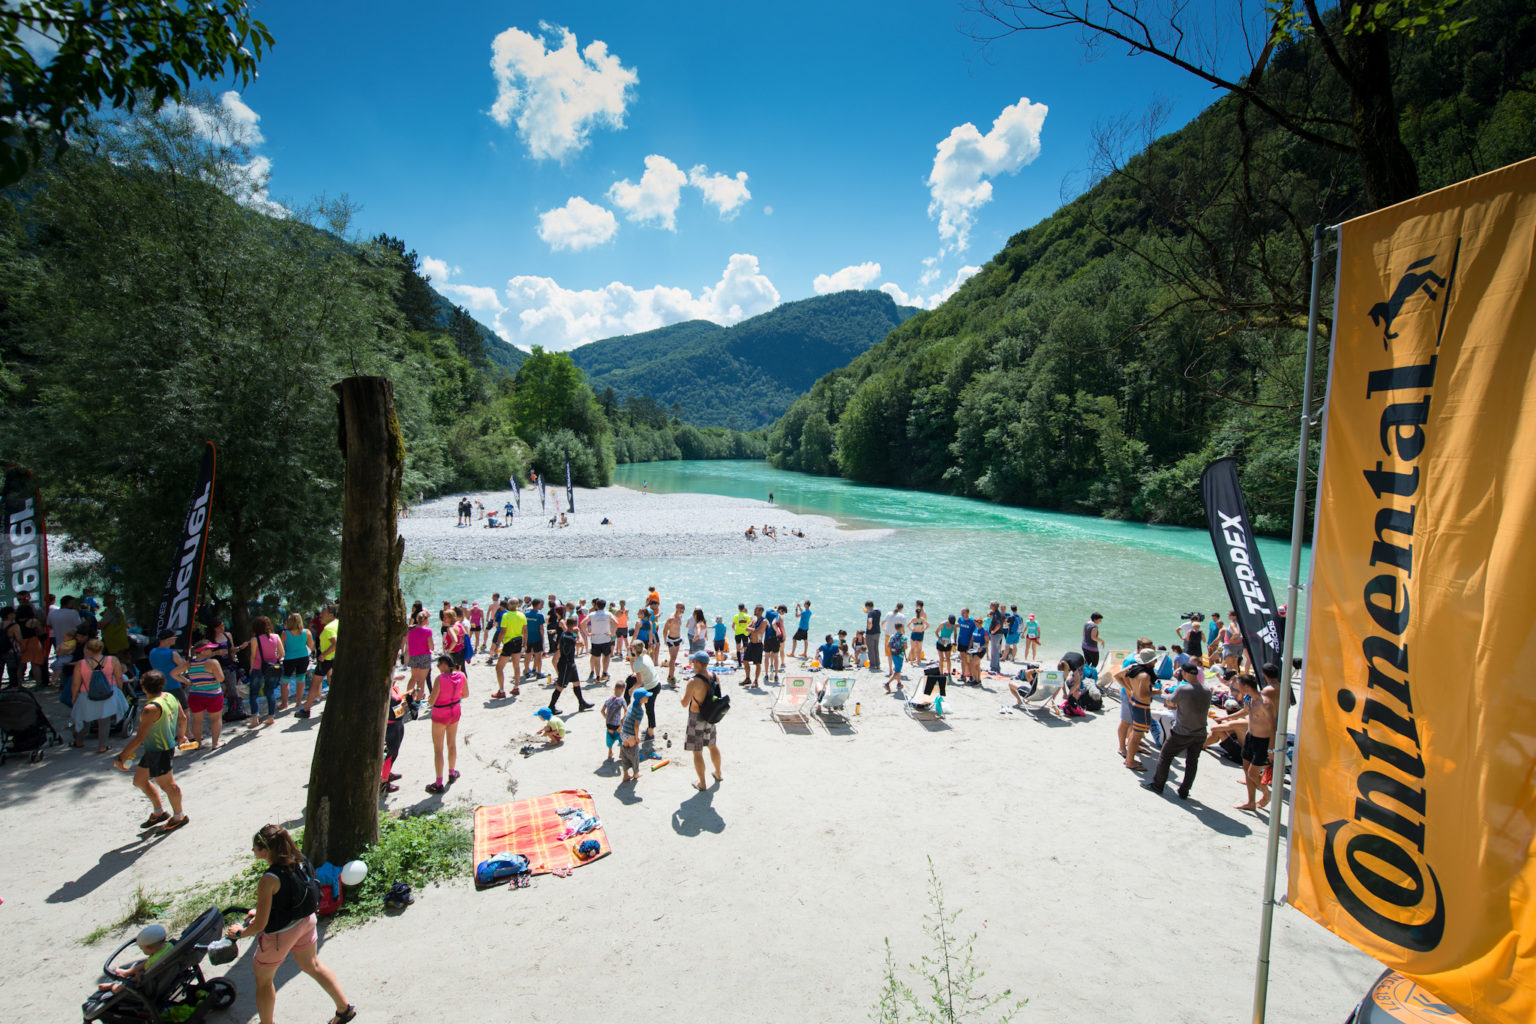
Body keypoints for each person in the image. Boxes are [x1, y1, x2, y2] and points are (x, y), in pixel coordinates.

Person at [225, 824, 355, 1024]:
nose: (253, 850)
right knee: (312, 965)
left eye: (255, 847)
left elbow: (259, 925)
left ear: (266, 850)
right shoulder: (300, 860)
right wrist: (260, 910)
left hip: (280, 936)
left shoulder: (268, 880)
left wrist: (240, 932)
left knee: (264, 982)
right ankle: (344, 1009)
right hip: (307, 922)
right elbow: (289, 896)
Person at [114, 670, 188, 832]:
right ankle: (159, 812)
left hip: (160, 751)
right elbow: (183, 718)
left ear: (143, 687)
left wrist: (122, 756)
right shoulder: (170, 697)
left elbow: (140, 737)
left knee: (168, 785)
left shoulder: (150, 709)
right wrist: (181, 736)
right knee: (139, 781)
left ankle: (179, 816)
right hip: (154, 750)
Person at [1143, 661, 1212, 798]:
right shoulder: (1206, 690)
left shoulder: (1183, 689)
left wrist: (1167, 696)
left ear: (1184, 674)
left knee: (1165, 755)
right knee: (1192, 762)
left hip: (1182, 731)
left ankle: (1158, 785)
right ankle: (1184, 790)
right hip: (1201, 732)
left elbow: (1171, 703)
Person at [71, 638, 130, 752]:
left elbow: (75, 683)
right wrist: (119, 690)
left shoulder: (81, 664)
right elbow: (119, 677)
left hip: (86, 694)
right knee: (104, 720)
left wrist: (74, 696)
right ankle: (102, 746)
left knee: (84, 718)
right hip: (108, 692)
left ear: (87, 649)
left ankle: (79, 741)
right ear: (102, 648)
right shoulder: (112, 660)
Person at [1233, 672, 1276, 811]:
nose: (1236, 687)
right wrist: (1225, 719)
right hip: (1250, 737)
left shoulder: (1266, 703)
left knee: (1253, 773)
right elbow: (1246, 712)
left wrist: (1271, 750)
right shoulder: (1249, 699)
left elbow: (1273, 727)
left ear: (1246, 686)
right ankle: (1251, 802)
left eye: (1239, 685)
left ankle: (1266, 793)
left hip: (1262, 741)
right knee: (1246, 770)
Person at [681, 651, 722, 791]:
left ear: (698, 663)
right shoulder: (715, 676)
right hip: (711, 717)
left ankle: (702, 783)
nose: (692, 664)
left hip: (696, 717)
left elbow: (684, 703)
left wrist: (682, 696)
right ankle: (718, 773)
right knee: (713, 745)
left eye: (693, 662)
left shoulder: (693, 681)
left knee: (697, 751)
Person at [425, 654, 466, 793]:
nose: (438, 668)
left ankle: (438, 783)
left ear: (444, 664)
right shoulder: (461, 675)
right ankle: (451, 773)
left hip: (440, 714)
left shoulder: (440, 679)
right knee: (452, 744)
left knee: (438, 749)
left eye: (438, 665)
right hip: (454, 712)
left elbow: (431, 701)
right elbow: (465, 694)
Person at [297, 605, 338, 719]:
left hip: (326, 659)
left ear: (330, 615)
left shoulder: (328, 628)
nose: (320, 615)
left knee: (314, 684)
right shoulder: (338, 623)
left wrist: (323, 655)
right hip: (334, 659)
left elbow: (335, 643)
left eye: (323, 613)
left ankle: (306, 710)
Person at [184, 640, 226, 749]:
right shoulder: (212, 663)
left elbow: (173, 673)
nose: (212, 650)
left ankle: (198, 744)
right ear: (202, 651)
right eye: (209, 649)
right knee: (216, 719)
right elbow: (221, 679)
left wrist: (187, 681)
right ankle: (215, 743)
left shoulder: (190, 663)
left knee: (197, 721)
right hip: (213, 695)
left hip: (195, 695)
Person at [243, 617, 283, 727]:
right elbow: (282, 653)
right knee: (270, 691)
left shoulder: (255, 639)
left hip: (258, 668)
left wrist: (251, 668)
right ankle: (271, 717)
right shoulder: (276, 636)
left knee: (254, 693)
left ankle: (255, 719)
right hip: (272, 668)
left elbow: (253, 656)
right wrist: (274, 660)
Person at [550, 615, 592, 713]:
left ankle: (582, 703)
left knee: (576, 683)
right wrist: (579, 633)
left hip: (570, 664)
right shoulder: (568, 637)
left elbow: (560, 645)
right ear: (573, 626)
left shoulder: (565, 634)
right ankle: (551, 706)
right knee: (560, 687)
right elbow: (581, 644)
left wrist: (575, 634)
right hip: (566, 665)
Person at [1121, 663, 1156, 770]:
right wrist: (1156, 692)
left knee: (1134, 733)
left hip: (1135, 703)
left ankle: (1129, 759)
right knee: (1137, 735)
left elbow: (1120, 677)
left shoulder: (1134, 671)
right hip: (1142, 706)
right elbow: (1143, 695)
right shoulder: (1144, 675)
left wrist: (1130, 690)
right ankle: (1130, 761)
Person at [279, 613, 314, 712]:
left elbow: (281, 647)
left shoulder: (285, 633)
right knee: (301, 679)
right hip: (303, 657)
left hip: (289, 658)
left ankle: (284, 703)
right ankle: (298, 702)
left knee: (285, 680)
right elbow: (311, 646)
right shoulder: (306, 632)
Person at [148, 629, 190, 708]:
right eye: (174, 637)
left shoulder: (152, 651)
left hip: (158, 685)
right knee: (184, 709)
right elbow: (184, 667)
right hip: (173, 685)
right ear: (169, 639)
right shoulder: (172, 653)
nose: (175, 639)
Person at [494, 600, 527, 698]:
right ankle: (516, 687)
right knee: (516, 665)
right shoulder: (522, 615)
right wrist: (524, 644)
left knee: (499, 668)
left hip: (509, 642)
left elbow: (503, 631)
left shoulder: (506, 616)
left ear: (509, 605)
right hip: (518, 641)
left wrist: (497, 644)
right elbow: (525, 631)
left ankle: (501, 690)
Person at [618, 686, 648, 782]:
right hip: (631, 733)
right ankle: (636, 773)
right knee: (634, 753)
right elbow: (636, 726)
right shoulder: (640, 710)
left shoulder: (631, 705)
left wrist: (621, 724)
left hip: (623, 732)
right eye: (646, 696)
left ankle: (625, 774)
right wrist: (637, 737)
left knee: (625, 753)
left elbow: (625, 716)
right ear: (641, 699)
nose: (647, 698)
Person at [601, 682, 626, 761]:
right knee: (621, 736)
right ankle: (621, 752)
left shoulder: (608, 699)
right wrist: (622, 720)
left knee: (610, 737)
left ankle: (610, 751)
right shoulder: (622, 700)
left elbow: (602, 711)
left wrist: (607, 718)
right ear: (623, 690)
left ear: (614, 689)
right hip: (617, 724)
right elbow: (626, 710)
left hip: (609, 724)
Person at [742, 605, 766, 687]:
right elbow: (747, 627)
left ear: (760, 611)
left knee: (757, 664)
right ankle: (747, 678)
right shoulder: (754, 619)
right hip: (751, 643)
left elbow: (758, 631)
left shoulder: (764, 621)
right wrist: (752, 629)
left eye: (756, 610)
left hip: (758, 645)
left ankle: (756, 680)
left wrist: (751, 629)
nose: (754, 611)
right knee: (745, 661)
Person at [524, 598, 547, 681]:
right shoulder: (539, 615)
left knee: (527, 655)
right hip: (537, 637)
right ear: (538, 605)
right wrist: (543, 638)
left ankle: (526, 671)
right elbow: (541, 628)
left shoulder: (526, 614)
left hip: (528, 638)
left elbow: (524, 627)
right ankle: (539, 673)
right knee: (538, 656)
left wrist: (524, 639)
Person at [885, 623, 907, 693]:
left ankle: (899, 683)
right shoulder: (903, 637)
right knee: (897, 671)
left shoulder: (892, 636)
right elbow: (905, 647)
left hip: (893, 654)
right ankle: (887, 684)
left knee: (897, 668)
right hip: (900, 655)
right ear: (901, 628)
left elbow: (888, 646)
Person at [934, 615, 956, 680]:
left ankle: (949, 673)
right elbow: (936, 632)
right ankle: (941, 673)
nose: (951, 624)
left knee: (948, 659)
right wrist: (941, 640)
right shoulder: (942, 624)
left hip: (948, 643)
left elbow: (955, 633)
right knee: (941, 659)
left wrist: (955, 641)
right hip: (940, 643)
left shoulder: (953, 625)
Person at [863, 601, 882, 673]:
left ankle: (872, 664)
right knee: (876, 648)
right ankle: (878, 664)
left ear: (868, 606)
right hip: (878, 631)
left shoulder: (870, 612)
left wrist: (869, 628)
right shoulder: (878, 611)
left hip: (871, 633)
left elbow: (870, 621)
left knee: (870, 649)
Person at [908, 601, 928, 665]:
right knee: (919, 648)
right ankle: (918, 661)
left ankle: (912, 661)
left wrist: (912, 629)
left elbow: (908, 625)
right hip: (920, 632)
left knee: (913, 648)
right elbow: (925, 623)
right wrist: (922, 629)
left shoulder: (914, 618)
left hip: (914, 633)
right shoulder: (922, 616)